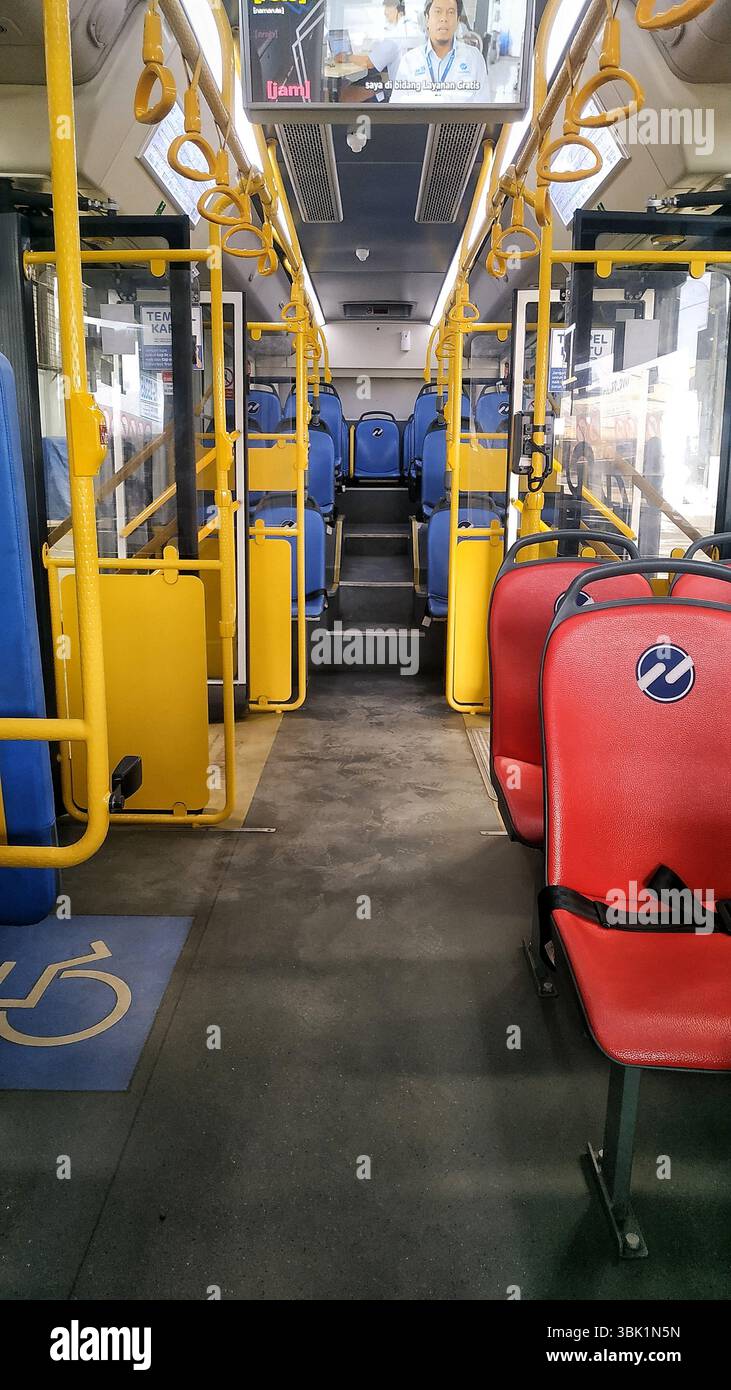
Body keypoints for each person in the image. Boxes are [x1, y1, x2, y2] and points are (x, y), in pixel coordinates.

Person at [390, 0, 490, 104]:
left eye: (450, 12)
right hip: (419, 120)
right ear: (427, 19)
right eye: (438, 12)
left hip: (460, 120)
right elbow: (396, 108)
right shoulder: (410, 60)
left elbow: (483, 110)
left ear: (457, 21)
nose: (444, 18)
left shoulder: (474, 58)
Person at [334, 0, 422, 94]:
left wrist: (345, 57)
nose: (385, 13)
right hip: (418, 89)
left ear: (397, 9)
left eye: (388, 8)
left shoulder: (395, 37)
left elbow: (368, 63)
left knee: (346, 94)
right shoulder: (416, 31)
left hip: (399, 95)